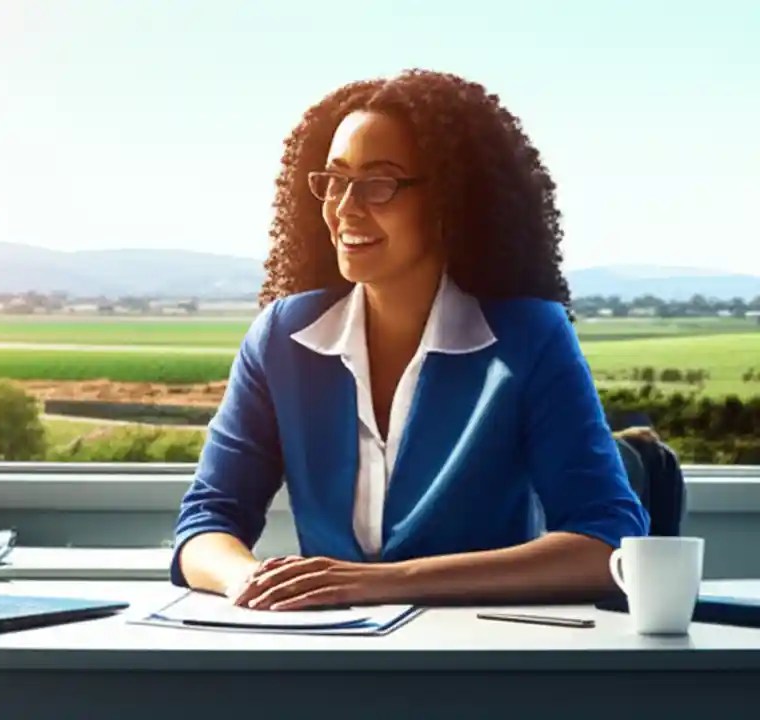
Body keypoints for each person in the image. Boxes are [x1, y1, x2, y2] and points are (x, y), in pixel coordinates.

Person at [173, 69, 650, 611]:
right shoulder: (282, 338)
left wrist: (387, 581)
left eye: (379, 183)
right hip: (328, 662)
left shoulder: (528, 337)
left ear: (449, 199)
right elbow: (206, 523)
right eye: (334, 179)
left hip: (482, 664)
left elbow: (609, 544)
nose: (345, 207)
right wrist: (249, 580)